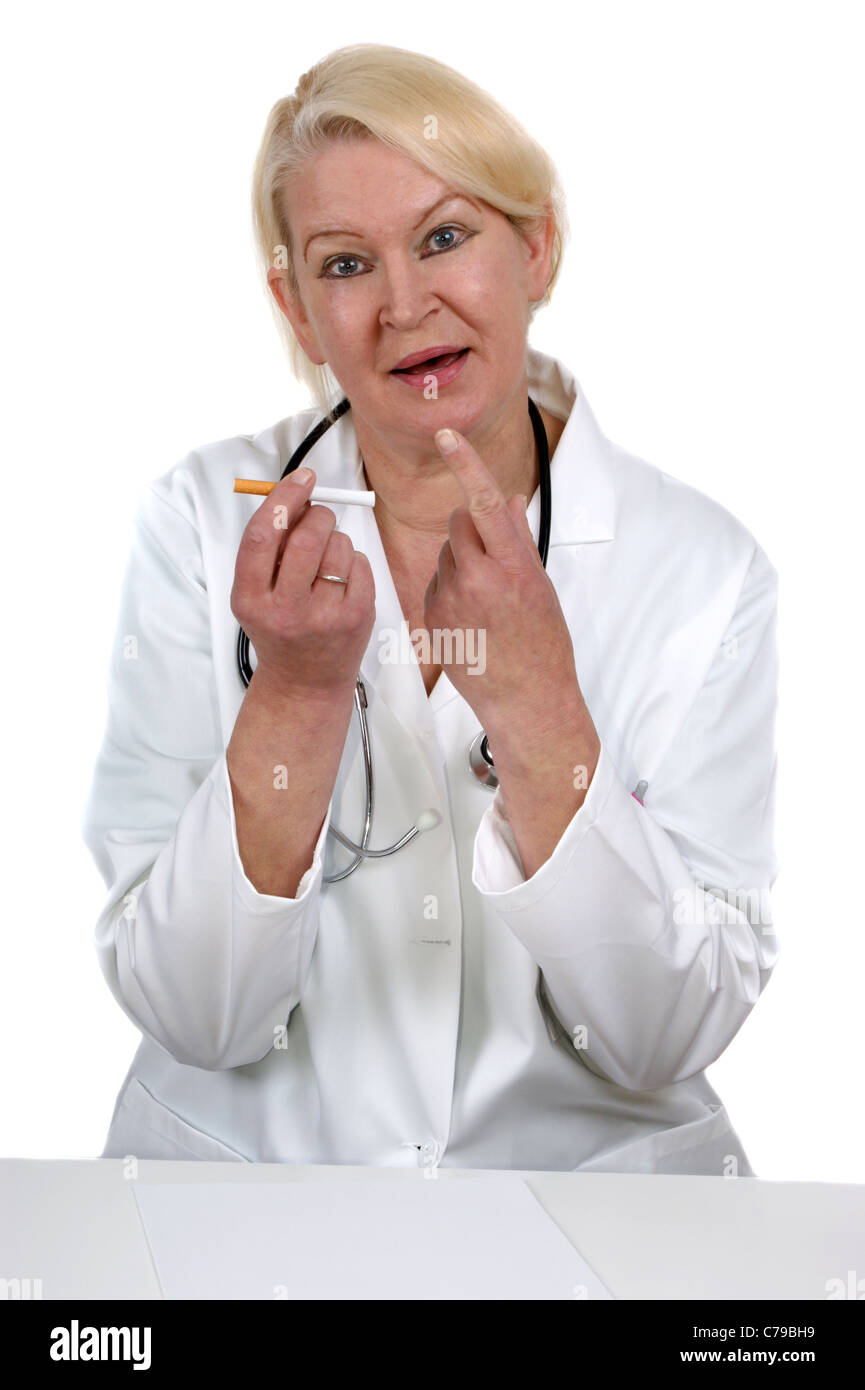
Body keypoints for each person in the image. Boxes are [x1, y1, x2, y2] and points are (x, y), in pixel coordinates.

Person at [83, 42, 779, 1175]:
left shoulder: (701, 569)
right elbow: (189, 1009)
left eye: (445, 237)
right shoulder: (200, 523)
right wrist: (298, 696)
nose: (404, 304)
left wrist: (541, 706)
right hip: (246, 1210)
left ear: (537, 244)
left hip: (595, 1222)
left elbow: (668, 1027)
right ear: (298, 310)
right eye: (346, 263)